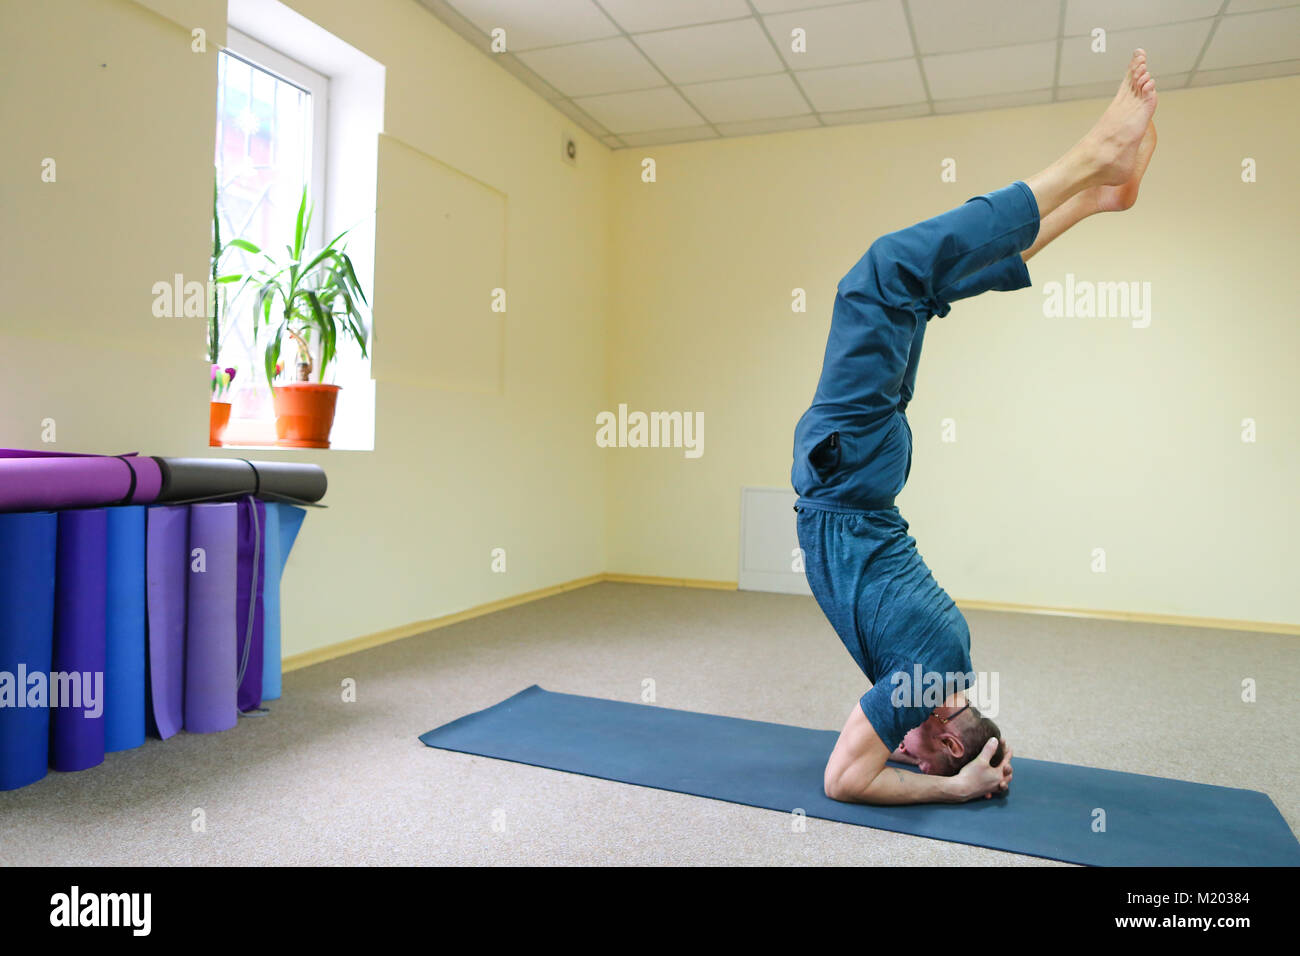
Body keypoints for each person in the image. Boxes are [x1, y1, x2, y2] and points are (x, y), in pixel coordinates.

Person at [793, 51, 1158, 805]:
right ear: (950, 736)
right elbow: (843, 781)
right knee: (886, 273)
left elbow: (890, 744)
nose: (906, 756)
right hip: (849, 476)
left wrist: (972, 752)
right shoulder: (931, 680)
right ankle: (1092, 159)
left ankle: (1096, 201)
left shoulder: (947, 668)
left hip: (865, 477)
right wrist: (958, 787)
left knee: (915, 289)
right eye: (923, 758)